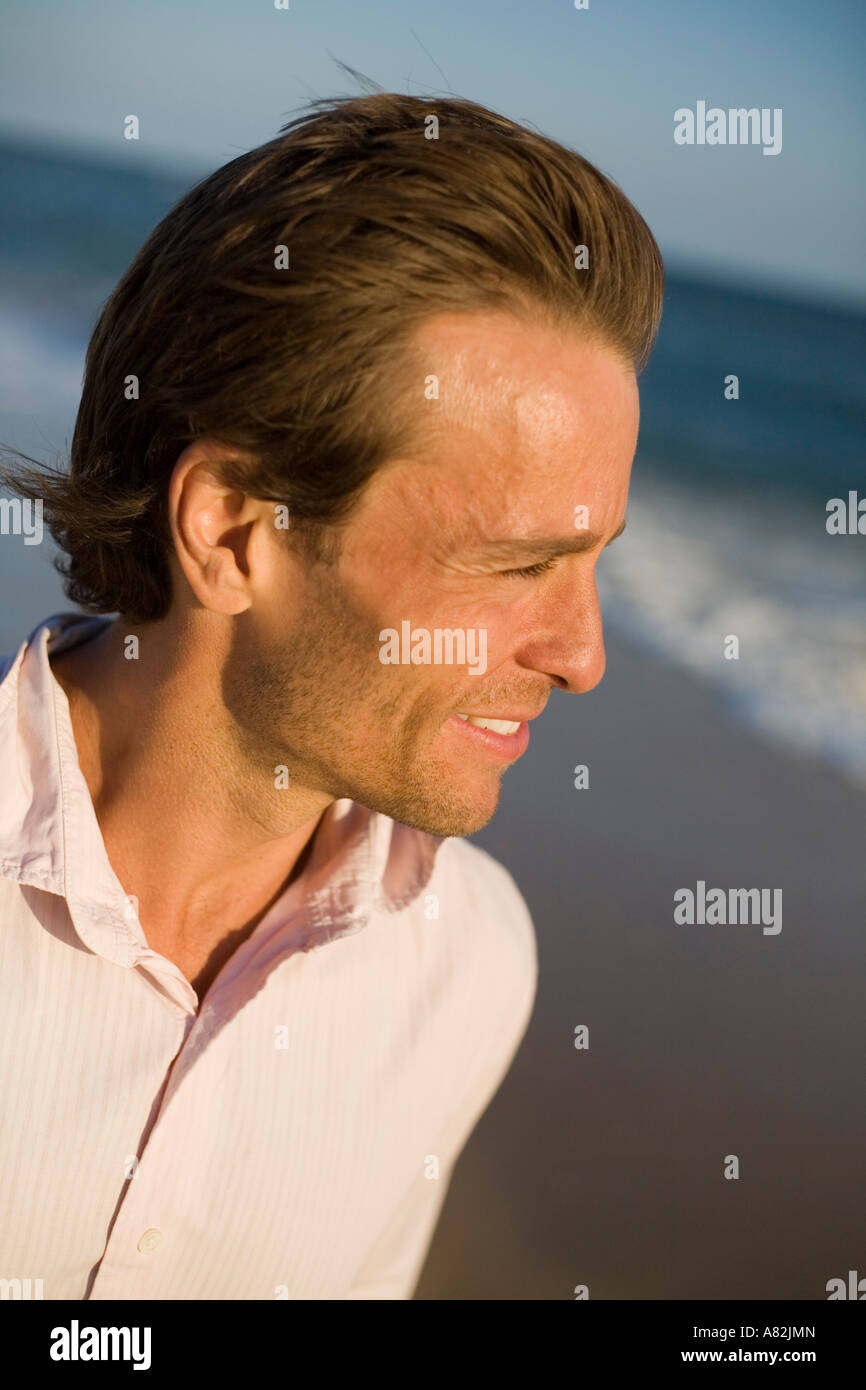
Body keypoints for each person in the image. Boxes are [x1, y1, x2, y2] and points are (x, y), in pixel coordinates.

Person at [0, 91, 663, 1299]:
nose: (581, 655)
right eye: (517, 563)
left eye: (594, 557)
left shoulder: (466, 967)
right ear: (236, 531)